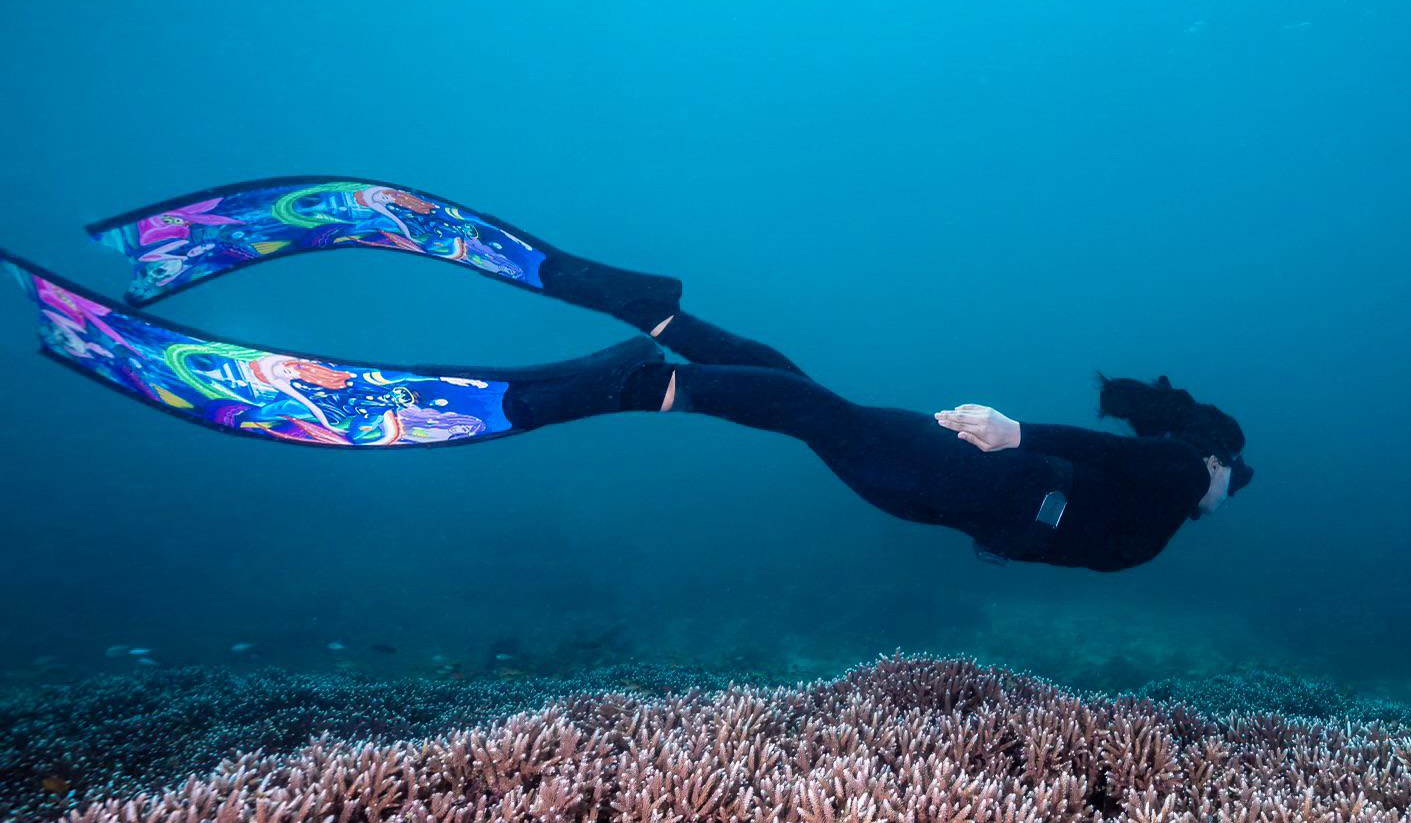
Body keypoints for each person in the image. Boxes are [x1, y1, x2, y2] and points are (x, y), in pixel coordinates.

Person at [5, 177, 1252, 572]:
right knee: (804, 403)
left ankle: (650, 314)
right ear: (1209, 465)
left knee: (794, 388)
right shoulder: (1170, 489)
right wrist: (1011, 454)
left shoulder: (1156, 486)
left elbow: (1071, 477)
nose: (1219, 496)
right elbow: (1085, 498)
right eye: (1223, 482)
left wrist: (1010, 439)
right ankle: (630, 378)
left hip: (965, 479)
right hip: (950, 487)